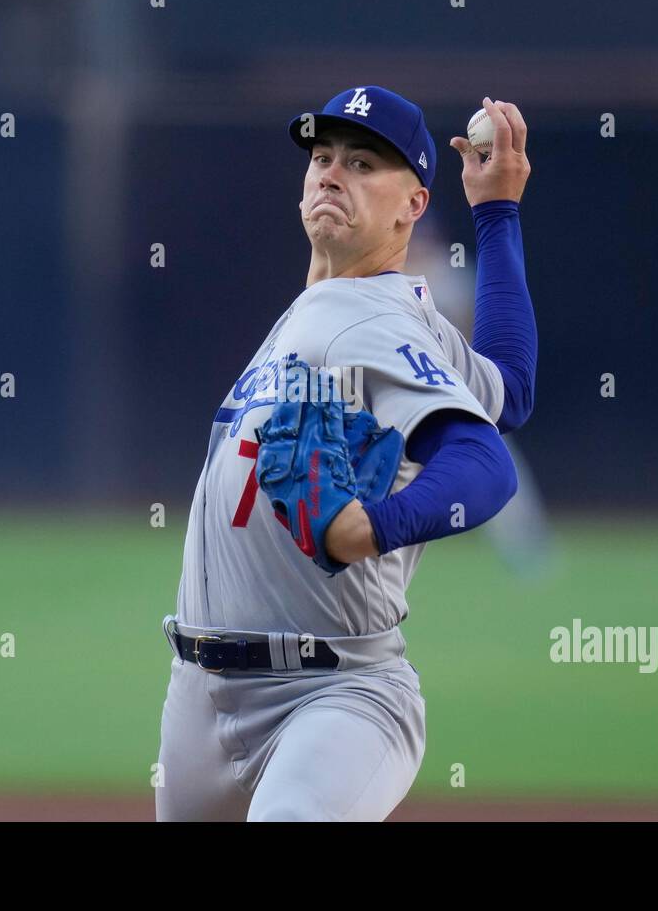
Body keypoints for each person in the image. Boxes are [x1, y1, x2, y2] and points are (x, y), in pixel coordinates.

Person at [155, 86, 538, 821]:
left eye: (363, 164)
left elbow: (486, 463)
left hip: (331, 695)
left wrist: (369, 527)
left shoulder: (367, 321)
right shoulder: (345, 311)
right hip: (199, 699)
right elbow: (509, 389)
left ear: (413, 206)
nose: (332, 173)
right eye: (322, 157)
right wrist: (497, 215)